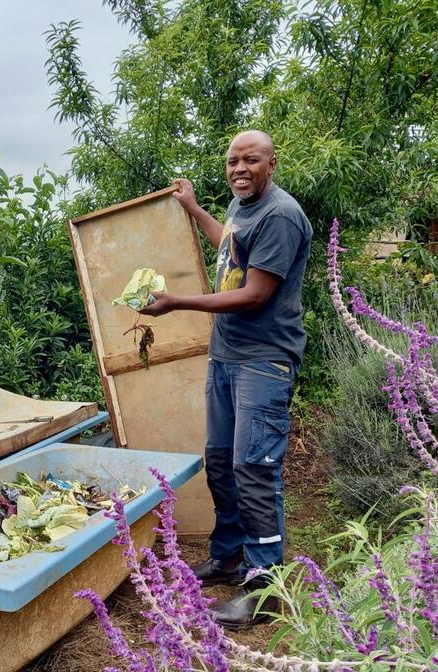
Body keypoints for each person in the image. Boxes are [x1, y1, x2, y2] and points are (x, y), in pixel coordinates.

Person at [140, 130, 312, 629]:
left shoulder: (281, 215)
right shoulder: (245, 208)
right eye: (233, 160)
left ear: (271, 163)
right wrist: (194, 209)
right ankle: (230, 556)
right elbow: (233, 251)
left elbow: (255, 293)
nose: (240, 168)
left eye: (251, 160)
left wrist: (176, 302)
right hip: (226, 358)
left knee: (254, 467)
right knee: (221, 461)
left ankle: (265, 588)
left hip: (263, 360)